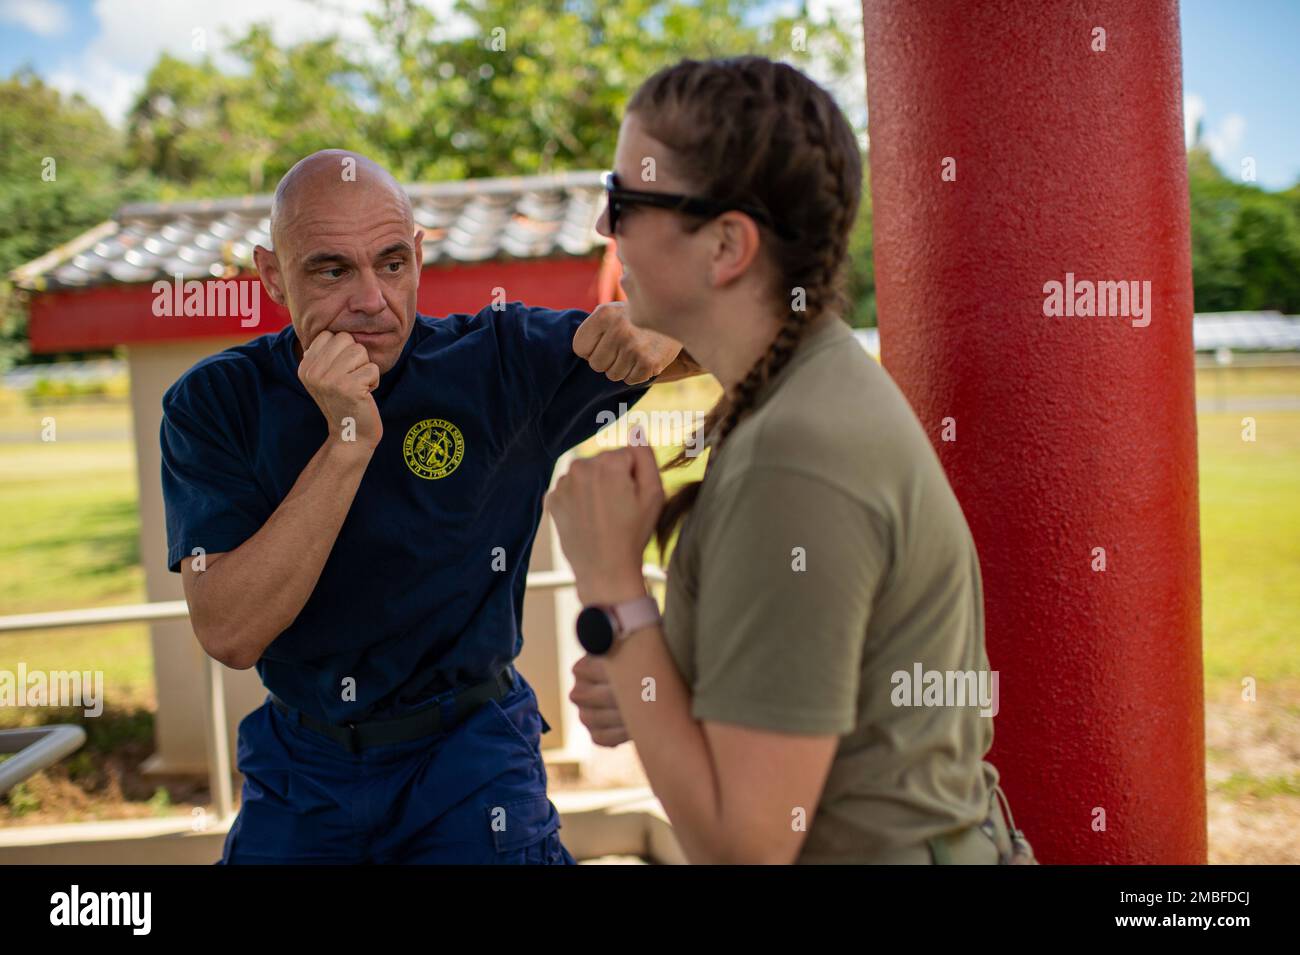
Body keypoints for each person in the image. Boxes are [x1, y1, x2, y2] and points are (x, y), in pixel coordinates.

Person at [548, 57, 1034, 864]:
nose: (606, 226)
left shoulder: (792, 457)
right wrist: (659, 679)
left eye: (628, 200)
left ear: (727, 246)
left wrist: (613, 593)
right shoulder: (804, 387)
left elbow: (748, 846)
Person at [160, 149, 695, 864]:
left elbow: (730, 332)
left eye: (390, 262)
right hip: (302, 767)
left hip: (471, 760)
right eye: (331, 269)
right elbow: (229, 630)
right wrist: (348, 444)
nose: (372, 300)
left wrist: (666, 326)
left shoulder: (498, 362)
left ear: (418, 254)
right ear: (270, 275)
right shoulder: (216, 402)